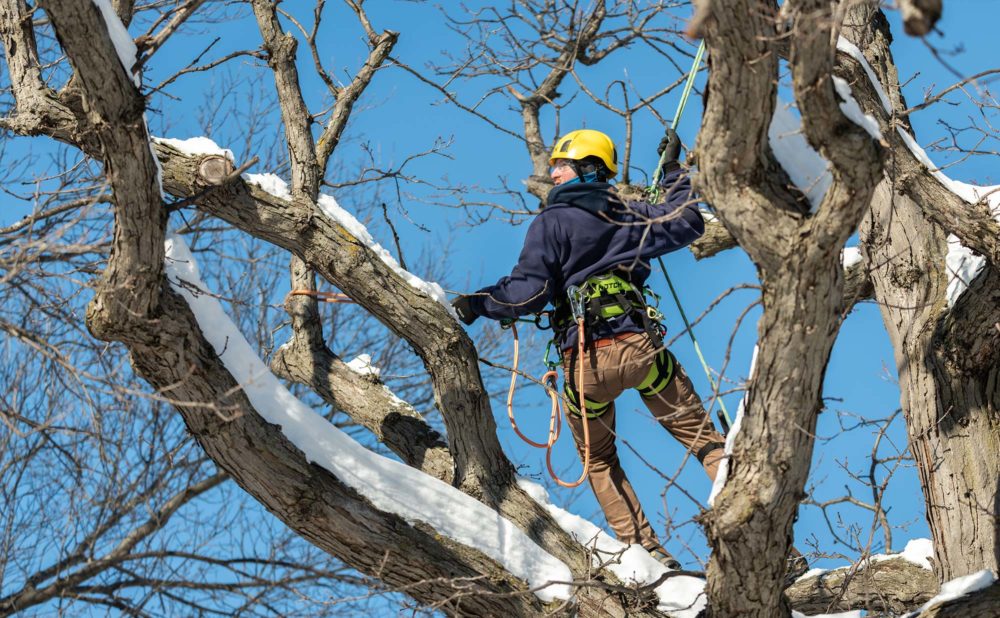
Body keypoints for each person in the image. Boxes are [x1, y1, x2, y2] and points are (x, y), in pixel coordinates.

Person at [451, 128, 726, 570]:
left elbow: (526, 293)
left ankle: (646, 553)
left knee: (598, 460)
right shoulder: (627, 214)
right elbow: (686, 221)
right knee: (705, 440)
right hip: (639, 351)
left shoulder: (551, 221)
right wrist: (675, 171)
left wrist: (477, 303)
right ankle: (751, 524)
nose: (553, 173)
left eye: (561, 165)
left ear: (586, 167)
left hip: (585, 366)